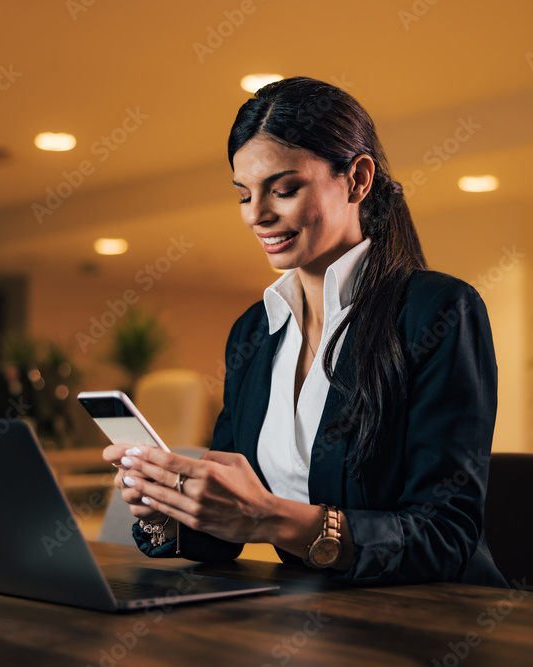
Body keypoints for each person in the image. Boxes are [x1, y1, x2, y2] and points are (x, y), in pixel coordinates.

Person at [104, 76, 505, 587]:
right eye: (243, 194)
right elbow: (232, 526)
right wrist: (170, 509)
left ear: (358, 179)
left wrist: (272, 518)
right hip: (310, 616)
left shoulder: (439, 311)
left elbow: (446, 537)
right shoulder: (253, 332)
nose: (256, 215)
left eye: (284, 189)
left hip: (429, 624)